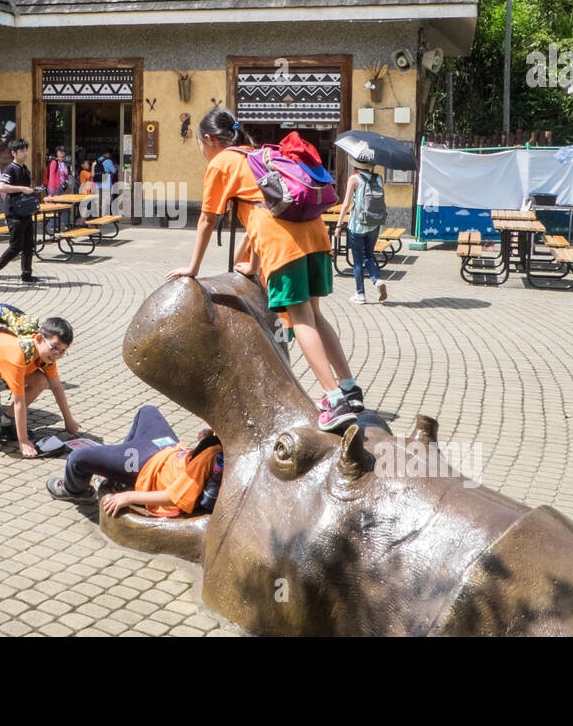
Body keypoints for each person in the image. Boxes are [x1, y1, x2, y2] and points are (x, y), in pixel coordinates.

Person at [167, 108, 368, 433]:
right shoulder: (257, 154)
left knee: (299, 316)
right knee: (315, 315)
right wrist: (252, 264)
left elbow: (207, 219)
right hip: (314, 235)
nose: (202, 152)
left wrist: (193, 267)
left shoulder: (221, 163)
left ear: (208, 139)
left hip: (285, 244)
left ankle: (334, 400)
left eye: (200, 145)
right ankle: (349, 387)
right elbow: (263, 208)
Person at [47, 405, 222, 517]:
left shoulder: (211, 457)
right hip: (170, 448)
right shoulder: (219, 443)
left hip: (148, 466)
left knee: (77, 458)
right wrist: (207, 438)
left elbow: (172, 497)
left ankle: (76, 490)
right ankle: (117, 474)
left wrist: (128, 497)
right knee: (147, 411)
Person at [0, 315, 81, 456]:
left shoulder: (47, 357)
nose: (57, 354)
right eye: (54, 347)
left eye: (63, 351)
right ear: (39, 339)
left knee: (41, 381)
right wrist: (23, 441)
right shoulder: (16, 355)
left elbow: (57, 387)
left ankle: (6, 421)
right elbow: (19, 401)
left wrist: (69, 420)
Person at [333, 158, 388, 304]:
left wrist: (339, 226)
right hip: (374, 224)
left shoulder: (354, 179)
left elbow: (346, 204)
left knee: (357, 261)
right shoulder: (379, 179)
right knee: (368, 256)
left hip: (357, 225)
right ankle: (377, 281)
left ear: (357, 164)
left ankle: (360, 294)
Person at [0, 138, 36, 287]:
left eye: (26, 150)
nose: (25, 153)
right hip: (14, 213)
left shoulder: (24, 169)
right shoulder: (10, 169)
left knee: (29, 244)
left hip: (26, 212)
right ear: (14, 153)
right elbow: (1, 187)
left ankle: (26, 274)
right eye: (22, 151)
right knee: (16, 246)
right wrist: (21, 189)